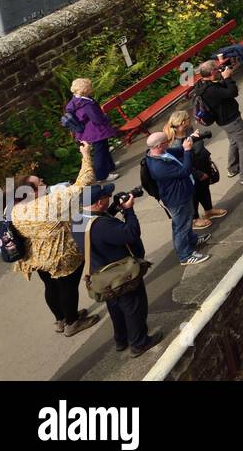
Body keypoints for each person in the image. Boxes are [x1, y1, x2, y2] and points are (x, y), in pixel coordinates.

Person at [10, 142, 101, 337]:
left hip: (35, 258)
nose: (44, 182)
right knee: (67, 286)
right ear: (31, 192)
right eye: (40, 182)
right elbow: (85, 182)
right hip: (59, 256)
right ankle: (72, 323)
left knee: (50, 286)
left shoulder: (15, 209)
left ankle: (61, 320)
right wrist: (85, 154)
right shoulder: (49, 203)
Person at [82, 184, 161, 357]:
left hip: (102, 275)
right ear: (97, 203)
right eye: (106, 196)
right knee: (133, 306)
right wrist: (129, 211)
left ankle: (121, 339)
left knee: (115, 306)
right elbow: (130, 233)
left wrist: (114, 208)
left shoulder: (79, 220)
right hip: (122, 274)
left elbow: (99, 227)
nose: (109, 196)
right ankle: (139, 343)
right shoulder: (102, 226)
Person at [144, 131, 210, 266]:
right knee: (181, 227)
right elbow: (185, 170)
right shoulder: (159, 166)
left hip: (182, 193)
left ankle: (192, 240)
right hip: (177, 199)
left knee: (185, 221)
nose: (169, 143)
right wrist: (187, 150)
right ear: (159, 145)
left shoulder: (161, 153)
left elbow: (179, 149)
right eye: (166, 142)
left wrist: (190, 139)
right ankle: (185, 256)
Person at [196, 58, 243, 184]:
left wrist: (223, 78)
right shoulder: (211, 90)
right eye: (217, 69)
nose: (219, 71)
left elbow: (222, 92)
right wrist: (228, 78)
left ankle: (233, 168)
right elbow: (232, 92)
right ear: (212, 72)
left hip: (223, 120)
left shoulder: (203, 85)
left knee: (234, 142)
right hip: (231, 119)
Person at [166, 109, 225, 229]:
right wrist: (198, 174)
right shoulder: (176, 144)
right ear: (183, 122)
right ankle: (195, 219)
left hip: (202, 163)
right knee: (194, 195)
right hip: (194, 171)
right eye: (188, 119)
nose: (190, 120)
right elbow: (183, 163)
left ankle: (209, 210)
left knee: (204, 189)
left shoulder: (189, 130)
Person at [64, 78, 119, 181]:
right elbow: (97, 118)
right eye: (89, 86)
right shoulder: (85, 103)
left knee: (103, 148)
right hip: (95, 130)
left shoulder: (77, 101)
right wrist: (106, 118)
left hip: (89, 130)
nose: (91, 88)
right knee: (100, 152)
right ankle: (102, 175)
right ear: (84, 89)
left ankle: (110, 166)